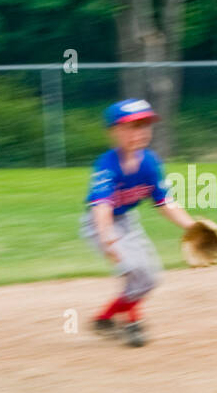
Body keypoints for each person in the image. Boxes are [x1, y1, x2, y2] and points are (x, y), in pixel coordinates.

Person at [80, 98, 196, 347]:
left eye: (146, 125)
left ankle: (104, 318)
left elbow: (165, 202)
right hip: (101, 223)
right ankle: (132, 322)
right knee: (133, 267)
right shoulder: (107, 164)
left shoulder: (150, 162)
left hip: (128, 221)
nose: (142, 132)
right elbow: (102, 207)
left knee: (149, 278)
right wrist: (107, 237)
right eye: (133, 126)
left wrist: (192, 227)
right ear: (115, 132)